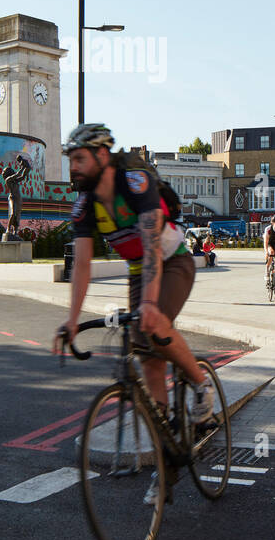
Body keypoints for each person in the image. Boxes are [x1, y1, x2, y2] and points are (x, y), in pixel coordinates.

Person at [53, 123, 213, 426]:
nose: (72, 168)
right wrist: (72, 320)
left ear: (102, 155)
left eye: (79, 159)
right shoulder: (85, 207)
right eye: (70, 160)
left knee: (154, 323)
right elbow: (82, 266)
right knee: (146, 354)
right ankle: (163, 434)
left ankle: (201, 384)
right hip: (141, 272)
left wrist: (149, 306)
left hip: (173, 262)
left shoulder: (135, 184)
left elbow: (153, 247)